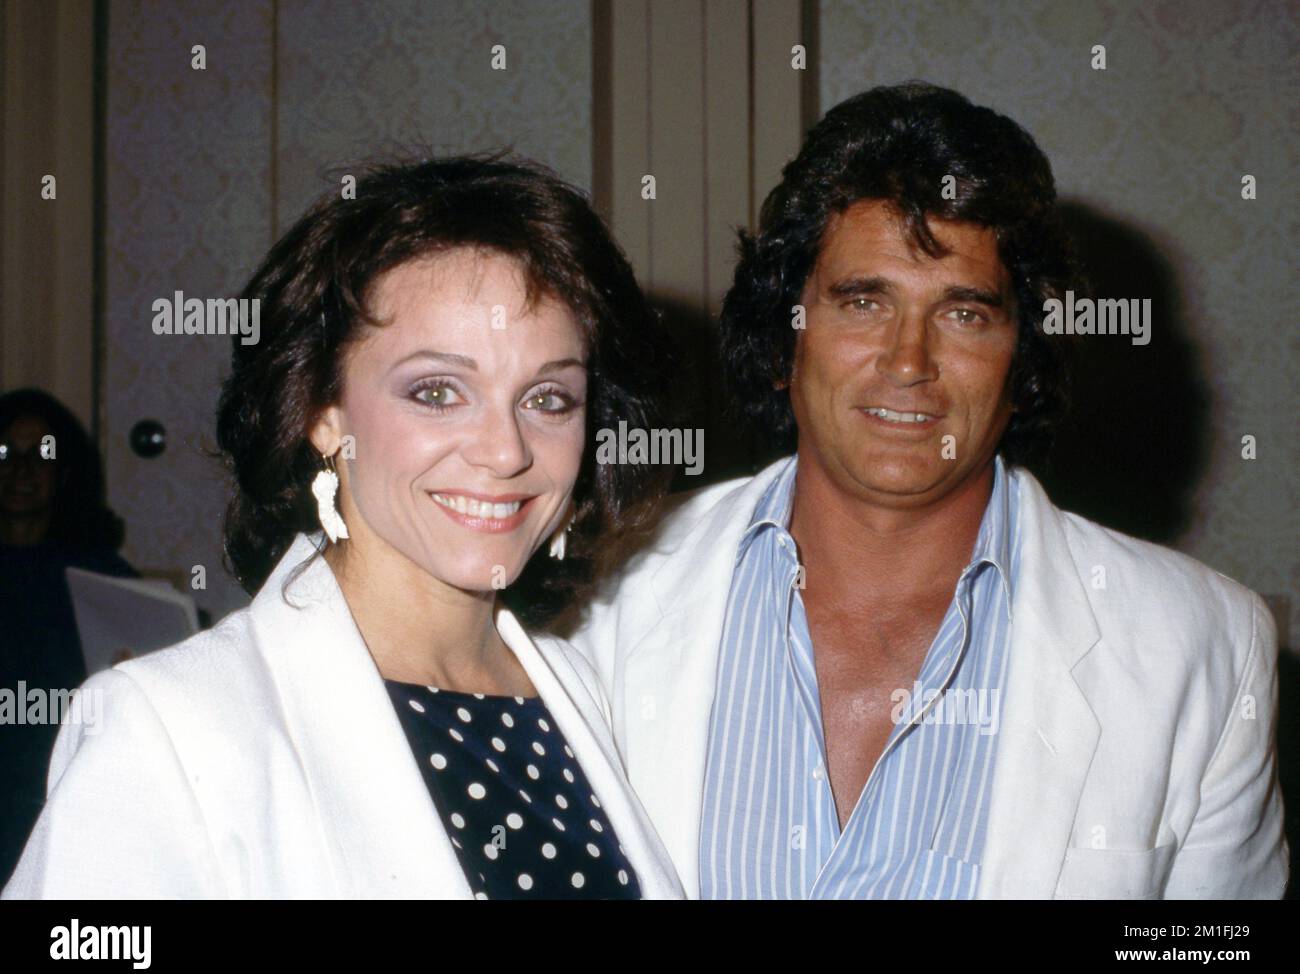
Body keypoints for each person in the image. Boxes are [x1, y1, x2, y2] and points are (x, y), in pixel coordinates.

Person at [568, 82, 1288, 899]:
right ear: (783, 338)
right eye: (864, 300)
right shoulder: (595, 602)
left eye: (965, 313)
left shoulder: (1204, 648)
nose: (908, 360)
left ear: (1024, 361)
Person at [3, 153, 683, 899]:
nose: (506, 449)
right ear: (322, 412)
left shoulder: (576, 687)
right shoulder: (166, 727)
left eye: (549, 398)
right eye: (437, 390)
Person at [0, 388, 137, 886]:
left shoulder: (99, 574)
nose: (21, 470)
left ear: (63, 473)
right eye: (5, 454)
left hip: (63, 794)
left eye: (41, 455)